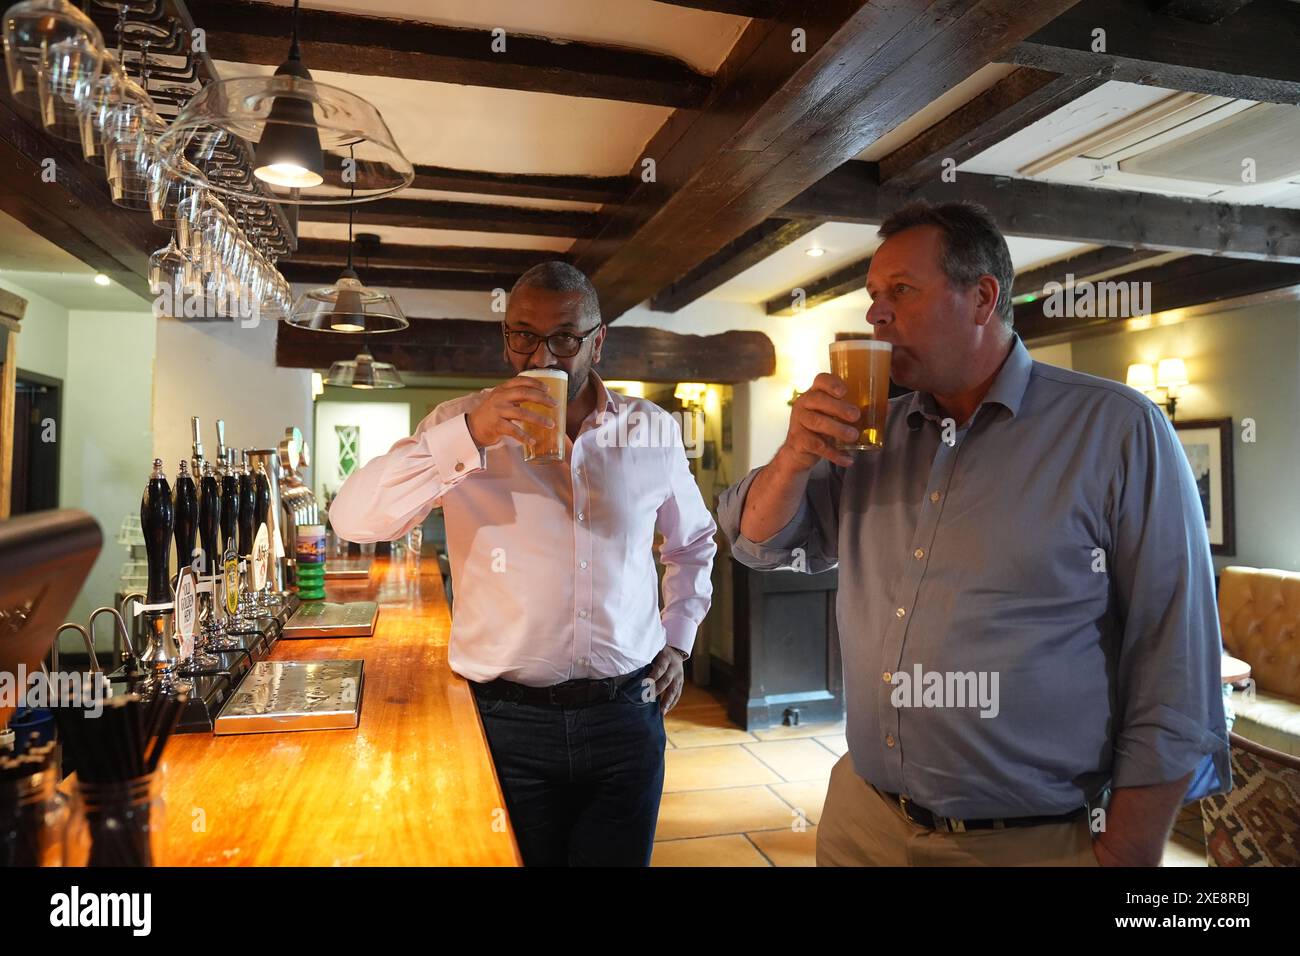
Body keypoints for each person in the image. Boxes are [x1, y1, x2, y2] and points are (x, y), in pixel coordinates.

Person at [717, 201, 1228, 866]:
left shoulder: (1116, 430)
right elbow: (756, 542)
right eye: (874, 295)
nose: (875, 314)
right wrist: (791, 456)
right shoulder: (873, 436)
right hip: (863, 823)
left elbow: (1176, 653)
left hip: (1030, 841)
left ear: (982, 296)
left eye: (900, 291)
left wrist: (1130, 848)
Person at [329, 262, 717, 866]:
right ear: (506, 335)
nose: (543, 357)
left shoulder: (651, 431)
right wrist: (470, 436)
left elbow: (692, 544)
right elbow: (354, 520)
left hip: (625, 714)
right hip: (505, 719)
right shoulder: (458, 426)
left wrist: (678, 642)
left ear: (598, 338)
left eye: (564, 337)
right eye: (523, 335)